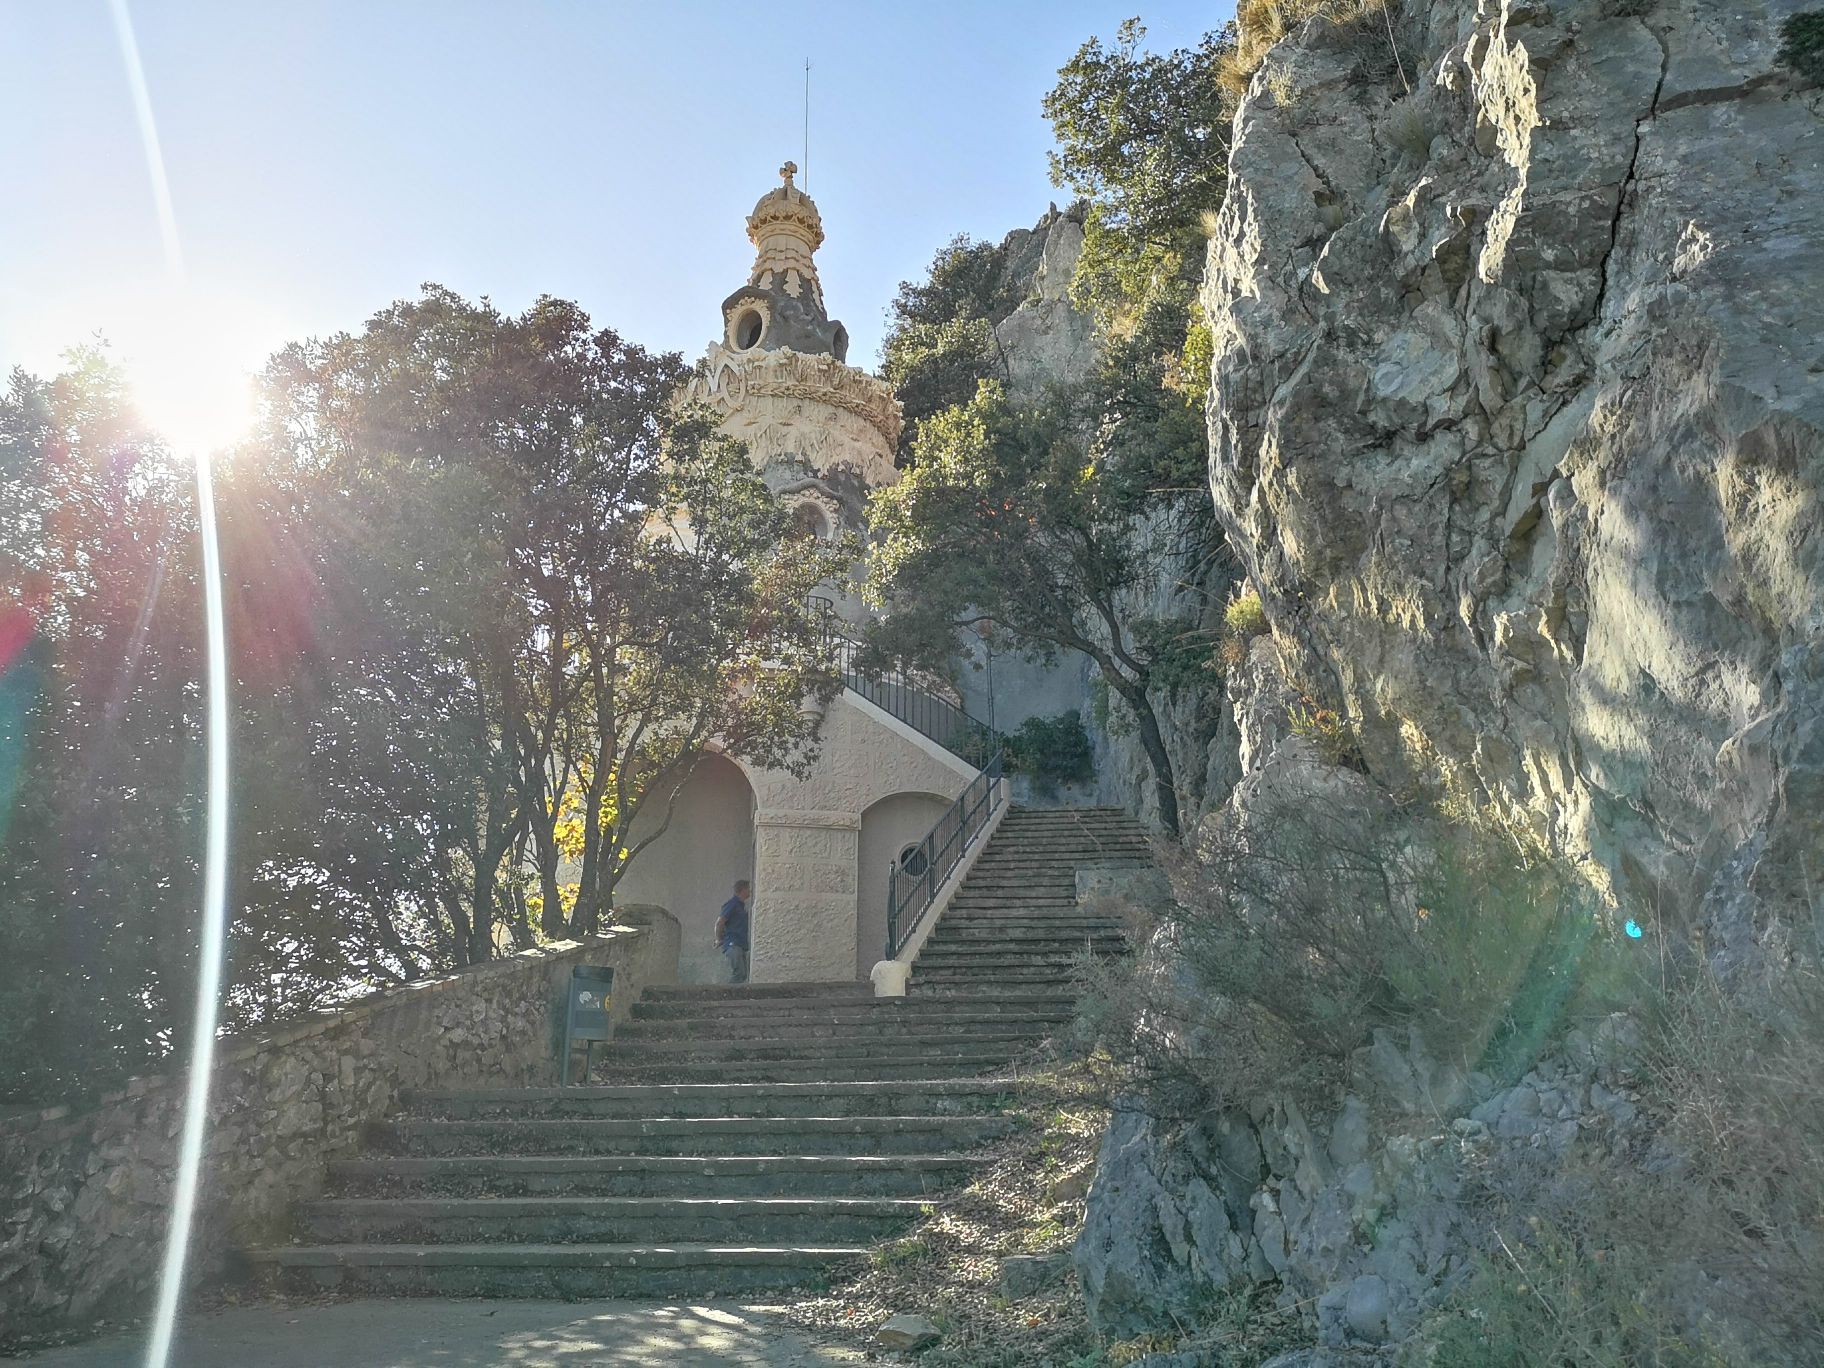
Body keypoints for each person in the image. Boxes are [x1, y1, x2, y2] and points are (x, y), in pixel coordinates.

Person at [716, 880, 752, 984]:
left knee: (743, 974)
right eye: (748, 888)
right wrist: (719, 939)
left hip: (739, 945)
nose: (750, 891)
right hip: (733, 944)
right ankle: (726, 996)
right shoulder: (733, 904)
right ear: (743, 890)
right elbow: (720, 923)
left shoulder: (741, 906)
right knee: (739, 973)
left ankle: (734, 997)